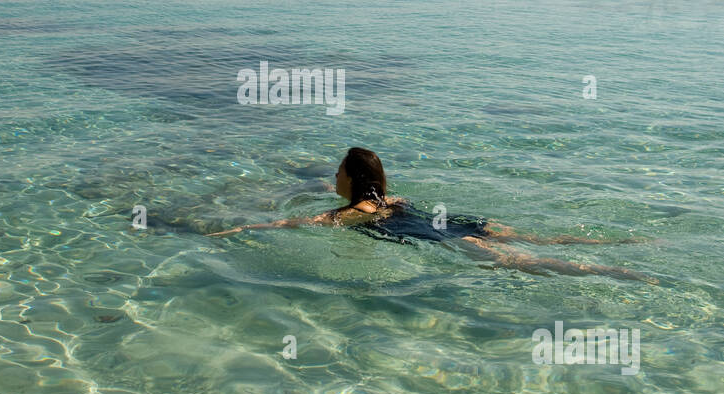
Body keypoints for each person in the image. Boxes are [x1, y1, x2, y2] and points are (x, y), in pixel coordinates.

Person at [210, 146, 653, 281]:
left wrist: (242, 226)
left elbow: (299, 223)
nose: (333, 178)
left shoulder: (357, 212)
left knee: (528, 263)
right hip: (456, 224)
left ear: (350, 178)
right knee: (543, 241)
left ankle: (614, 271)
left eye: (337, 171)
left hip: (447, 239)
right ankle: (621, 246)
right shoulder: (391, 200)